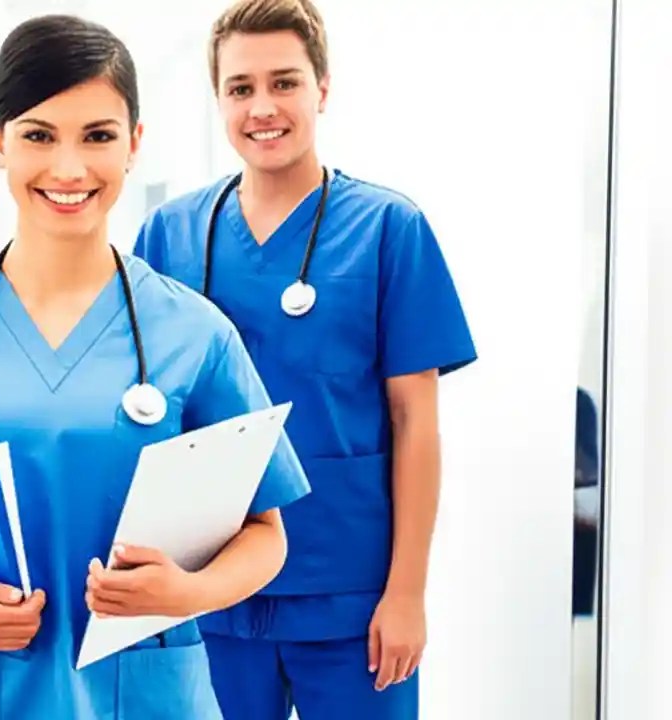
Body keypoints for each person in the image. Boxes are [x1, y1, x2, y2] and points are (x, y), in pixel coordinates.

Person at [0, 13, 312, 719]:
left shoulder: (195, 335)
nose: (69, 169)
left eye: (98, 136)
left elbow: (268, 535)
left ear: (135, 144)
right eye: (39, 136)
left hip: (144, 695)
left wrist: (188, 594)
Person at [133, 1, 477, 718]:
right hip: (206, 587)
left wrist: (407, 593)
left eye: (284, 83)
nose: (263, 107)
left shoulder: (388, 229)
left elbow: (416, 422)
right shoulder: (170, 234)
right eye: (241, 88)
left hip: (349, 594)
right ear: (219, 99)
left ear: (323, 87)